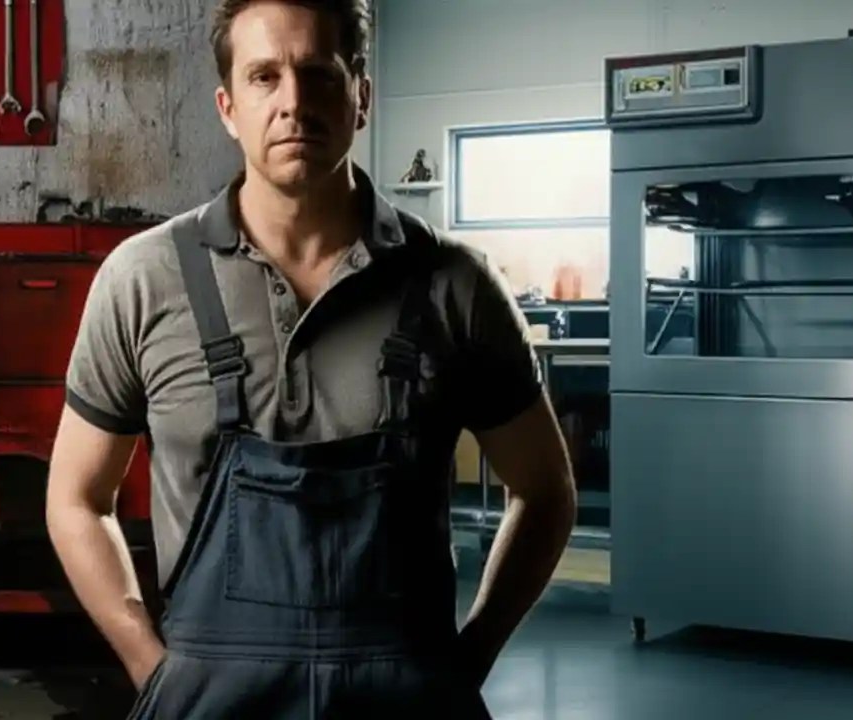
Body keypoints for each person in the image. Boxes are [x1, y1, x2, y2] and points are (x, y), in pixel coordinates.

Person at [45, 0, 577, 717]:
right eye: (265, 76)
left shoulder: (455, 285)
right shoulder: (143, 281)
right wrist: (153, 667)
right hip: (208, 700)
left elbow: (545, 492)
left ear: (361, 97)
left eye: (319, 75)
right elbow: (75, 498)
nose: (293, 103)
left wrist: (466, 662)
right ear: (228, 107)